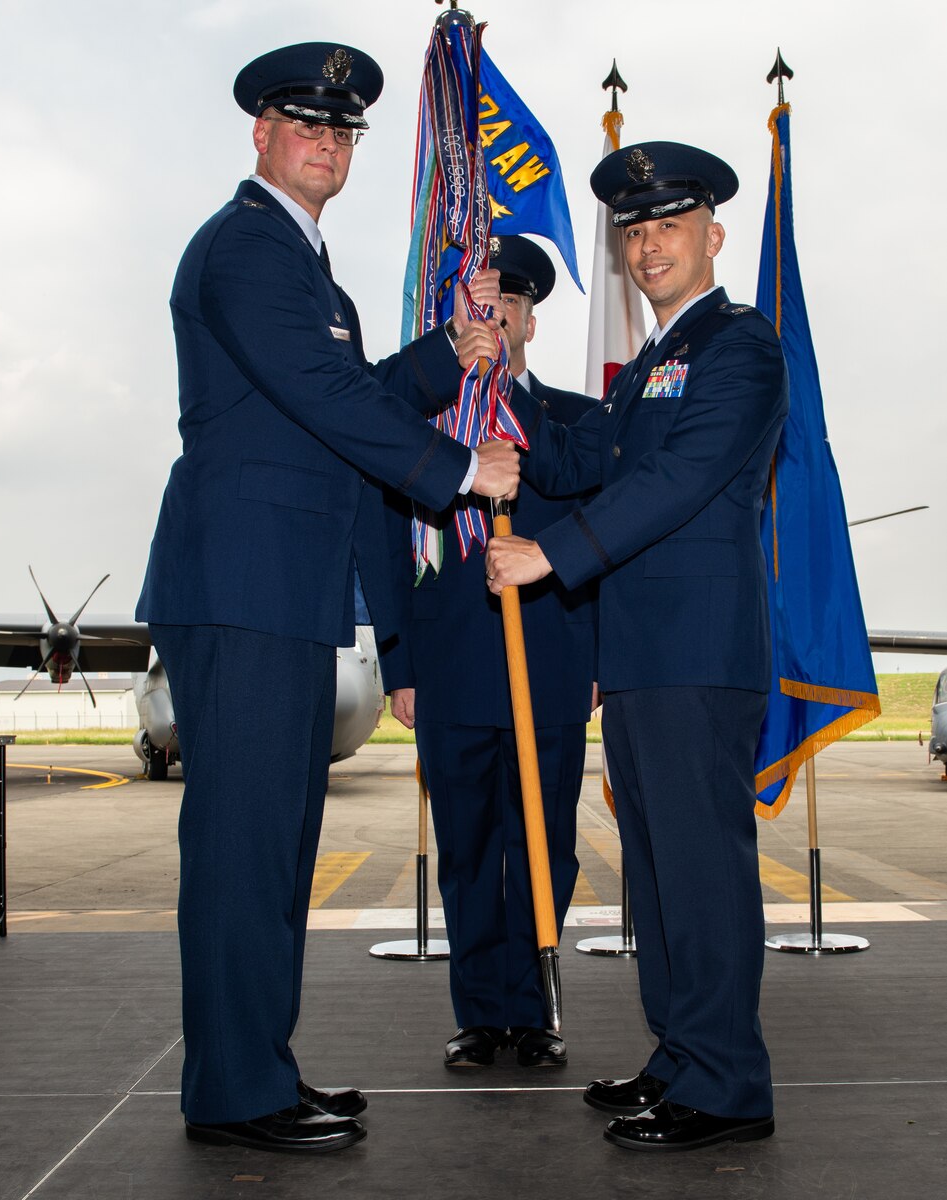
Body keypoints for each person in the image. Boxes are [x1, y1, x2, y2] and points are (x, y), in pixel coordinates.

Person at [135, 42, 519, 1155]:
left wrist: (450, 350)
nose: (328, 142)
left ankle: (257, 1068)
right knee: (244, 850)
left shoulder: (308, 272)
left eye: (344, 131)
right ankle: (235, 1092)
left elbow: (346, 391)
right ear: (259, 133)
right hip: (243, 587)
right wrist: (457, 471)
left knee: (273, 851)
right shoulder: (246, 250)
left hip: (285, 595)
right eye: (306, 123)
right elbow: (319, 395)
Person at [485, 143, 789, 1151]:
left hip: (698, 652)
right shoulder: (653, 364)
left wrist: (550, 557)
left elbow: (678, 481)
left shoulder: (739, 348)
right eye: (633, 232)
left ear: (712, 236)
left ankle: (727, 1083)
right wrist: (506, 384)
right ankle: (681, 1054)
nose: (648, 244)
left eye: (667, 226)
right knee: (657, 870)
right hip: (647, 655)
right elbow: (586, 459)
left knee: (701, 869)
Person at [383, 236, 598, 1069]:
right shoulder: (411, 428)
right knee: (468, 845)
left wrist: (596, 661)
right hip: (448, 664)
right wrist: (399, 665)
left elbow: (599, 533)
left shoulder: (575, 420)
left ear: (529, 324)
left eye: (507, 305)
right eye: (477, 303)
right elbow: (385, 544)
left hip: (547, 660)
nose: (493, 315)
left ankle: (535, 1010)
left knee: (542, 839)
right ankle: (481, 1012)